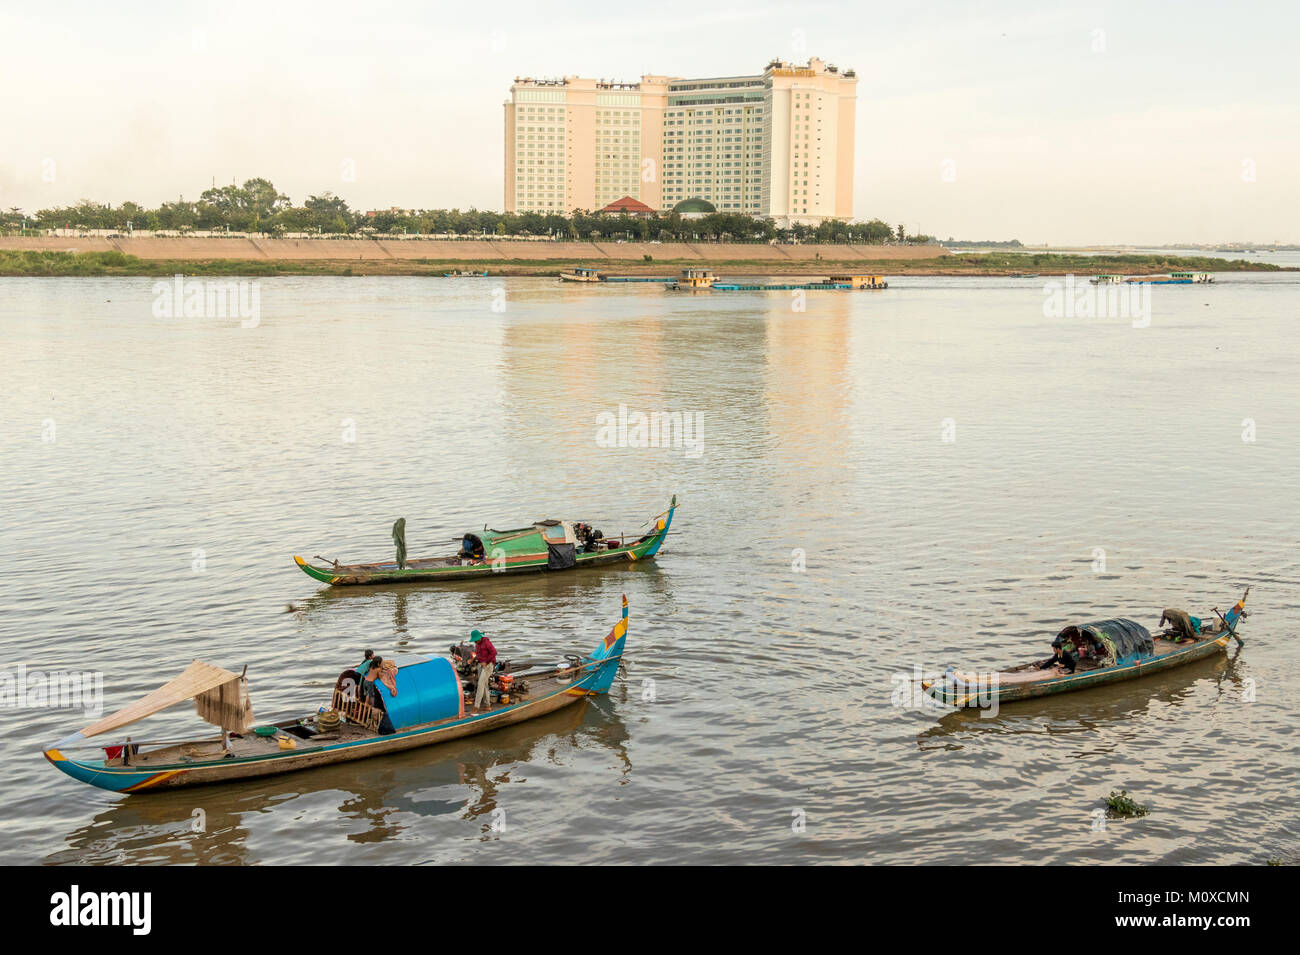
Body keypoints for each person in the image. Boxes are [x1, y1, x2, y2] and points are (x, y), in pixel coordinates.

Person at [470, 629, 497, 712]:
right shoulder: (477, 644)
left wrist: (486, 661)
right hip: (481, 665)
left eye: (475, 640)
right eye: (473, 641)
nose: (474, 642)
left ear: (479, 638)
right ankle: (487, 705)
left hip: (488, 665)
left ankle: (476, 706)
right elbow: (478, 655)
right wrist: (472, 659)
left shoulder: (486, 643)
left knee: (480, 684)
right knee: (484, 685)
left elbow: (494, 652)